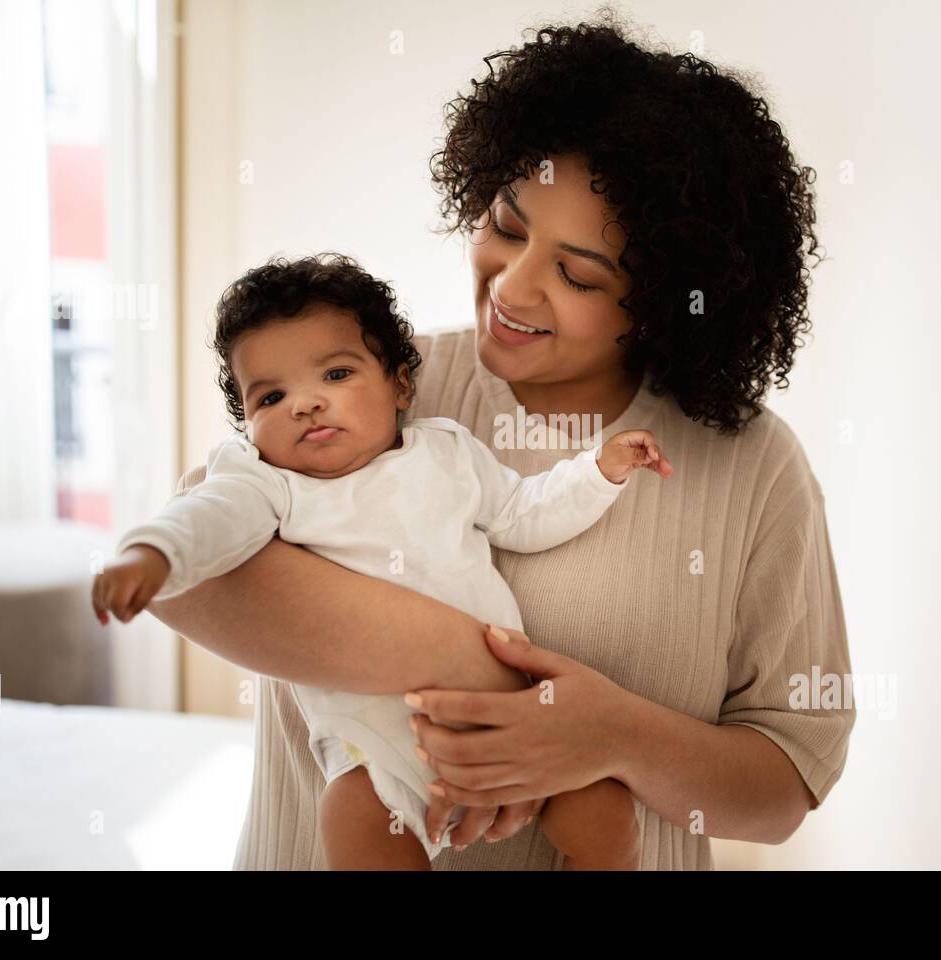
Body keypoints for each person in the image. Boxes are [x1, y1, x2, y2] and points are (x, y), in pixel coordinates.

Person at [148, 9, 855, 870]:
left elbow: (784, 786)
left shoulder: (752, 467)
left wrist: (611, 736)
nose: (512, 289)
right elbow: (184, 575)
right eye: (509, 228)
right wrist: (483, 674)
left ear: (667, 302)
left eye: (577, 274)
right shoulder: (368, 388)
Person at [94, 253, 671, 869]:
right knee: (352, 820)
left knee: (601, 809)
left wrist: (598, 471)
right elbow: (211, 518)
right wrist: (152, 552)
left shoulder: (444, 451)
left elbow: (523, 512)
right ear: (248, 425)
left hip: (517, 718)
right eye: (271, 396)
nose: (305, 404)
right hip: (376, 746)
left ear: (399, 384)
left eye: (337, 374)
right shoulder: (266, 483)